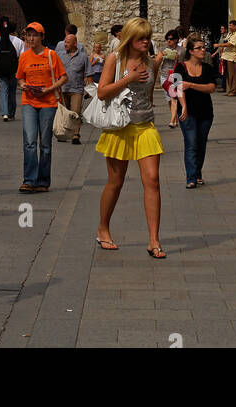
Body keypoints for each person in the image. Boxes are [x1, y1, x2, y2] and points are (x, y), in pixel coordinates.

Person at [94, 17, 165, 257]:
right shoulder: (115, 60)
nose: (146, 41)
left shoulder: (152, 63)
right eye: (141, 38)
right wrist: (128, 78)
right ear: (130, 39)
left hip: (145, 125)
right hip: (120, 127)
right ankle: (103, 229)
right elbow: (102, 92)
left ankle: (154, 240)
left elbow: (150, 96)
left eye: (148, 37)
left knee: (153, 180)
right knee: (116, 182)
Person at [16, 23, 67, 193]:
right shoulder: (24, 57)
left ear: (42, 37)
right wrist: (23, 85)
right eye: (28, 35)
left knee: (45, 144)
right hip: (29, 101)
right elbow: (20, 78)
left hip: (48, 102)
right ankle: (29, 180)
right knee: (29, 141)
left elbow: (63, 77)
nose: (31, 39)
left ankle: (43, 181)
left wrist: (49, 89)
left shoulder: (51, 55)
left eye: (34, 35)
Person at [168, 35, 216, 187]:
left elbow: (211, 87)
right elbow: (176, 88)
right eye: (199, 48)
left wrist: (191, 85)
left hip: (206, 112)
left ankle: (197, 172)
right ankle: (191, 178)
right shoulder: (180, 67)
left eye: (203, 47)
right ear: (190, 51)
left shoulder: (207, 67)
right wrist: (184, 105)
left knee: (201, 144)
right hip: (187, 112)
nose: (203, 50)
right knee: (191, 143)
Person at [54, 25, 89, 145]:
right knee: (65, 112)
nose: (65, 44)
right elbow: (54, 69)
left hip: (77, 88)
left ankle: (75, 135)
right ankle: (64, 133)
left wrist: (89, 88)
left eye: (68, 42)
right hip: (63, 88)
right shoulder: (60, 54)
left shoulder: (83, 56)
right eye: (65, 42)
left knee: (75, 112)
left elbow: (88, 73)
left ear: (75, 44)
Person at [0, 17, 24, 121]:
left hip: (2, 68)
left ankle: (4, 112)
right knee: (12, 91)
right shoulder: (19, 41)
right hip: (14, 69)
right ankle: (11, 112)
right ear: (14, 29)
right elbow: (22, 56)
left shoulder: (0, 38)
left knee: (3, 90)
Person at [216, 20, 236, 96]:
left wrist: (218, 45)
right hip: (226, 56)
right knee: (227, 74)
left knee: (232, 74)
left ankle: (234, 91)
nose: (230, 27)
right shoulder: (230, 34)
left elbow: (230, 44)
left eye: (231, 25)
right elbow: (226, 40)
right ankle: (230, 89)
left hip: (232, 56)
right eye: (229, 25)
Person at [212, 25, 228, 91]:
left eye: (222, 28)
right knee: (222, 71)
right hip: (220, 55)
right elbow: (219, 48)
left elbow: (223, 46)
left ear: (226, 30)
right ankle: (223, 86)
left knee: (224, 71)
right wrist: (215, 53)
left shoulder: (227, 37)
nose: (221, 29)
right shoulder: (222, 36)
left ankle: (224, 87)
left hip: (224, 55)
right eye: (221, 28)